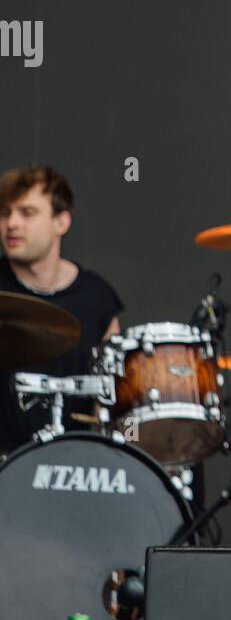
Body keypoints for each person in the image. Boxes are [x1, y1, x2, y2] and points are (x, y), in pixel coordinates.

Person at [0, 165, 123, 451]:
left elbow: (112, 399)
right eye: (6, 213)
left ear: (61, 222)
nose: (12, 224)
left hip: (74, 468)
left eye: (27, 213)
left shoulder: (97, 299)